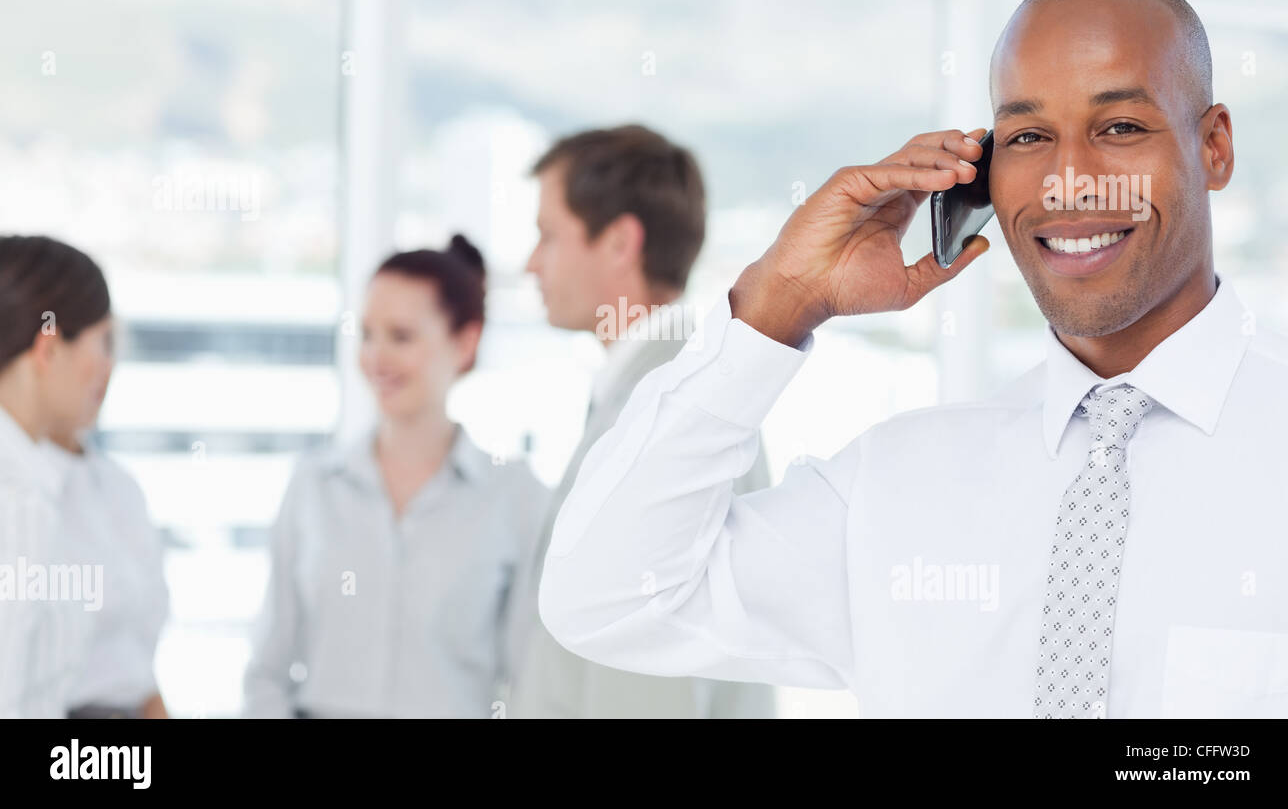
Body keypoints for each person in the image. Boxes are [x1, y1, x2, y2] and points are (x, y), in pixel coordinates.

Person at [538, 0, 1288, 719]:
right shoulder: (895, 485)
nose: (1069, 182)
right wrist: (780, 303)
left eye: (1121, 127)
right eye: (1029, 136)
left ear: (1215, 147)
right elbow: (602, 597)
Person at [510, 125, 776, 718]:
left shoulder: (670, 411)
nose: (531, 264)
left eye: (548, 236)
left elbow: (651, 683)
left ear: (619, 242)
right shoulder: (663, 395)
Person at [243, 235, 546, 718]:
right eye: (366, 334)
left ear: (465, 342)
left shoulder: (515, 498)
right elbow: (266, 672)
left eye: (401, 336)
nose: (375, 357)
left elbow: (532, 682)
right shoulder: (313, 486)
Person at [0, 235, 113, 717]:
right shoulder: (16, 500)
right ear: (48, 349)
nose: (109, 369)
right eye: (102, 343)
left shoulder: (35, 482)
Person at [41, 420, 170, 718]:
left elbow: (137, 650)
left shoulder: (120, 487)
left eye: (111, 367)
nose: (103, 371)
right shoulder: (20, 493)